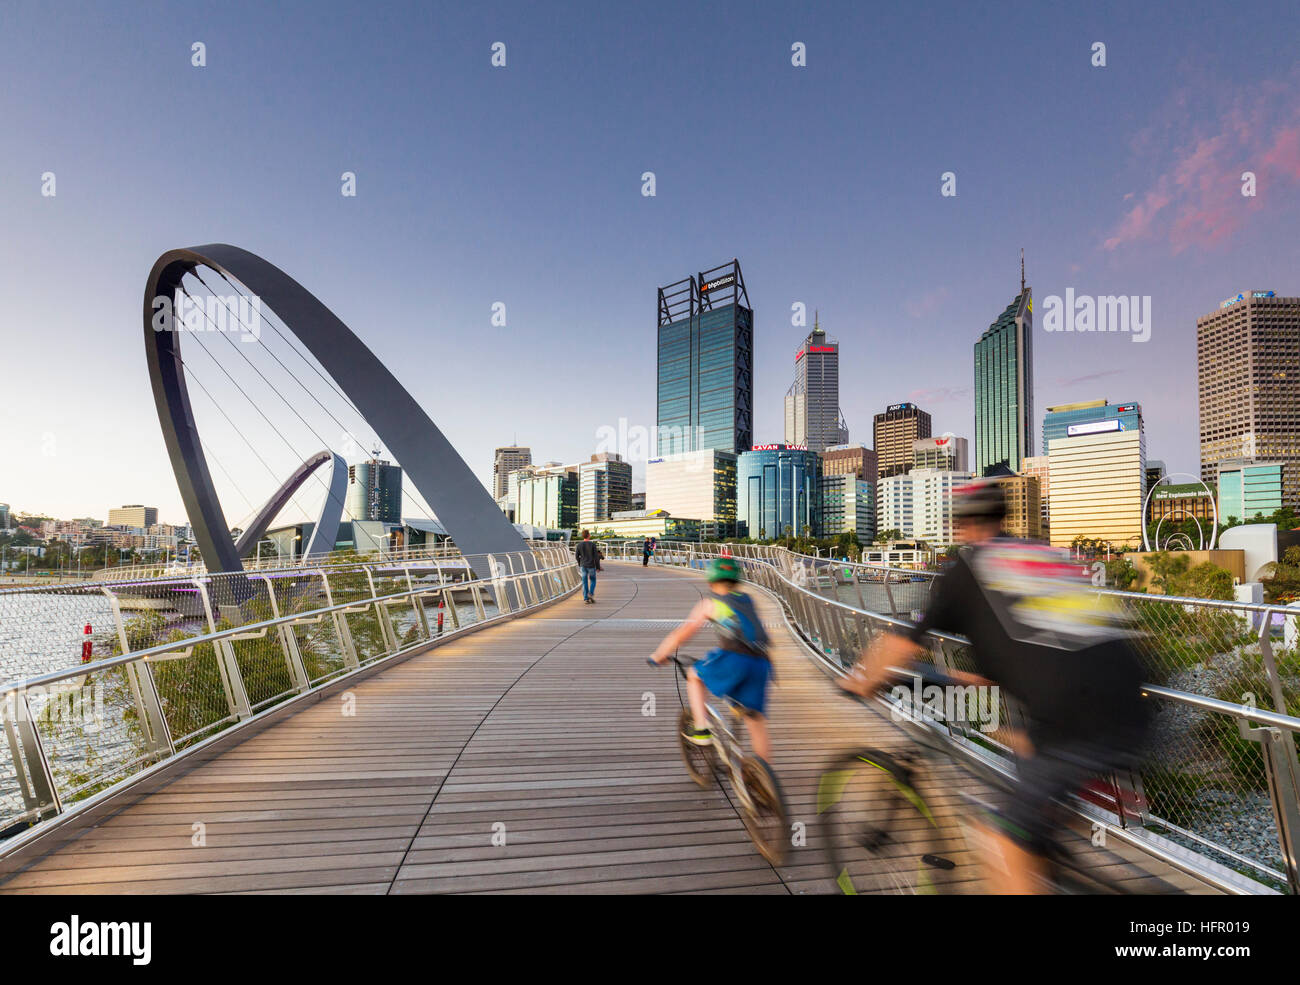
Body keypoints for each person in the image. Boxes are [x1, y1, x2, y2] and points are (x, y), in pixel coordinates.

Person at [839, 479, 1150, 894]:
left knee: (1001, 840)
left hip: (1073, 723)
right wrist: (958, 693)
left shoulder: (966, 571)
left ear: (959, 526)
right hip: (1133, 700)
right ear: (1004, 517)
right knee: (1034, 784)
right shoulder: (1044, 554)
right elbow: (1021, 657)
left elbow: (900, 643)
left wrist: (860, 682)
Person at [648, 556, 774, 763]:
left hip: (734, 658)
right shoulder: (748, 600)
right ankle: (764, 777)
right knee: (755, 719)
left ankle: (702, 729)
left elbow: (683, 633)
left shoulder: (710, 603)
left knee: (694, 675)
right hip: (762, 662)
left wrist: (659, 654)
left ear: (711, 581)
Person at [574, 530, 602, 604]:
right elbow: (596, 557)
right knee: (593, 580)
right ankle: (591, 593)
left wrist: (580, 563)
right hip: (591, 566)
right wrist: (598, 567)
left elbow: (576, 556)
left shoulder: (579, 545)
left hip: (583, 566)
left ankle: (586, 598)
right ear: (589, 535)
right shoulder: (592, 545)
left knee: (584, 582)